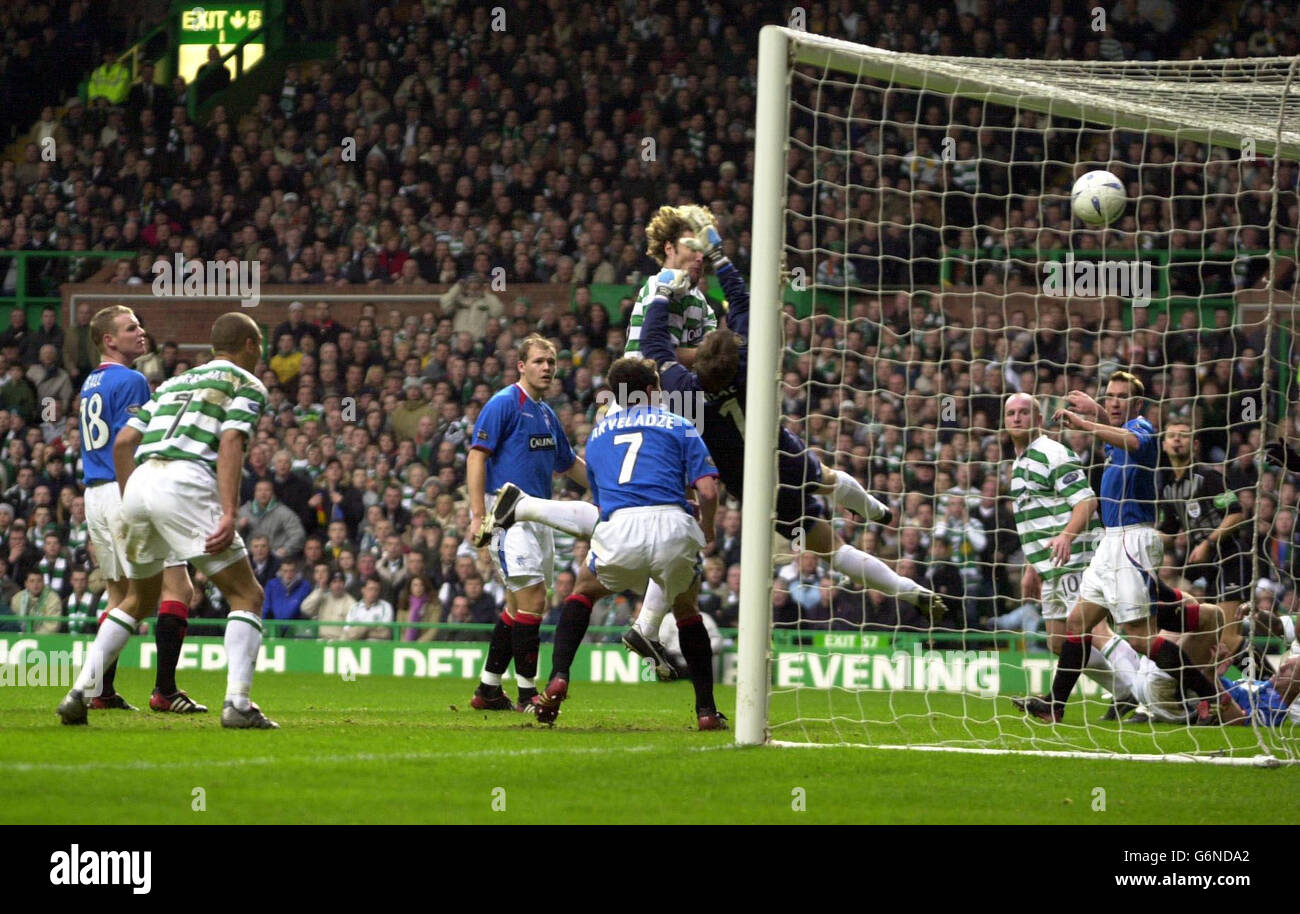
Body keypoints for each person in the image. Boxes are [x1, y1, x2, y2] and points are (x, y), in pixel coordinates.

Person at [58, 312, 276, 729]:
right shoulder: (245, 383)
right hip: (184, 482)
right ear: (250, 346)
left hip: (133, 486)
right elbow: (231, 440)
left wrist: (131, 500)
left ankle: (79, 693)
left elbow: (125, 441)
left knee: (135, 601)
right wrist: (230, 511)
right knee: (246, 595)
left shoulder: (176, 381)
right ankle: (238, 705)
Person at [528, 356, 724, 729]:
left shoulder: (599, 435)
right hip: (672, 525)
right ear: (651, 389)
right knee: (686, 610)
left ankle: (558, 677)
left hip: (621, 528)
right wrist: (708, 530)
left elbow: (601, 501)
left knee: (583, 593)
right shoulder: (679, 423)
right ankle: (706, 711)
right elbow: (708, 491)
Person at [1013, 372, 1219, 723]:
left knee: (1140, 638)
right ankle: (1055, 705)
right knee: (1076, 623)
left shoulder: (1144, 429)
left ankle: (1210, 697)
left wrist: (1085, 422)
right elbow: (1115, 437)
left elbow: (1131, 442)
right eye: (1110, 396)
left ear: (1138, 404)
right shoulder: (1116, 435)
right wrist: (1096, 411)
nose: (1114, 401)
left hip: (1132, 539)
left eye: (1122, 397)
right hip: (1110, 542)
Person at [75, 305, 203, 715]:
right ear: (109, 340)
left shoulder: (89, 383)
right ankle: (165, 691)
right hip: (125, 488)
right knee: (178, 588)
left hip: (94, 494)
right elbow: (133, 443)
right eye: (131, 328)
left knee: (119, 596)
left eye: (140, 325)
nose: (141, 332)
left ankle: (100, 690)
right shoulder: (131, 380)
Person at [465, 334, 589, 712]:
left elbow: (568, 465)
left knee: (522, 604)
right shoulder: (504, 404)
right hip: (506, 514)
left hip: (539, 517)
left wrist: (611, 490)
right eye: (539, 361)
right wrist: (476, 514)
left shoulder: (547, 415)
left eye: (551, 362)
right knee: (533, 599)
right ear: (521, 365)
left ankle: (488, 690)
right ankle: (526, 695)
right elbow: (476, 456)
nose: (547, 368)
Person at [1003, 393, 1115, 702]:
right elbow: (1033, 521)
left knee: (1092, 632)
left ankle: (1147, 689)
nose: (1016, 418)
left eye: (1024, 412)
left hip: (1077, 557)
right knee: (1057, 642)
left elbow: (1086, 500)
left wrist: (1067, 535)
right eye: (1011, 413)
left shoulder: (1053, 453)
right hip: (1049, 564)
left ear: (1038, 419)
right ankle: (1125, 690)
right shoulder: (1019, 463)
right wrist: (1031, 566)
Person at [1157, 418, 1260, 675]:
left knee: (1229, 638)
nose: (1177, 439)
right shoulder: (1168, 487)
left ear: (1194, 444)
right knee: (1216, 640)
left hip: (1230, 560)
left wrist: (1208, 542)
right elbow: (1168, 530)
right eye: (1172, 436)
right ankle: (1207, 694)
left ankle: (1273, 688)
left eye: (1183, 435)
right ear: (1164, 444)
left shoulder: (1209, 477)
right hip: (1209, 570)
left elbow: (1236, 514)